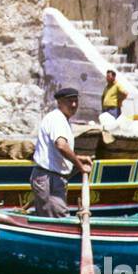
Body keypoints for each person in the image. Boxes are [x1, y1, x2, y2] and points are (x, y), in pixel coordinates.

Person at [31, 86, 93, 218]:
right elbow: (61, 146)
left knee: (50, 218)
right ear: (59, 103)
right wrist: (79, 166)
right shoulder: (57, 119)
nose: (74, 104)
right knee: (58, 219)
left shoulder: (62, 120)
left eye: (76, 101)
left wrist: (78, 158)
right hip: (49, 179)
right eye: (69, 101)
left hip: (52, 178)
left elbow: (57, 149)